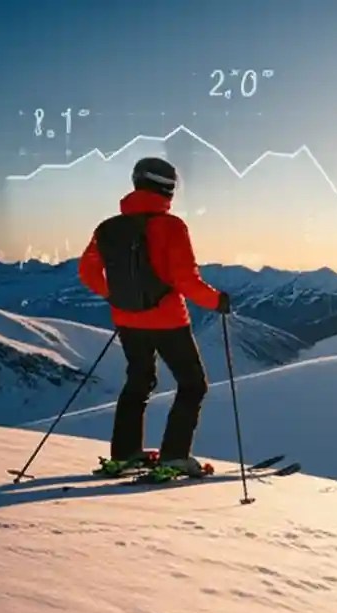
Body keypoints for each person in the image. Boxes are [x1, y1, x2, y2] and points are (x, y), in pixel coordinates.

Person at [78, 157, 231, 476]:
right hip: (168, 320)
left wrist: (116, 296)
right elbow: (185, 279)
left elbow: (88, 272)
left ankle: (124, 454)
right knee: (192, 384)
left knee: (139, 380)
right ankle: (174, 456)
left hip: (127, 320)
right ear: (168, 188)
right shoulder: (171, 226)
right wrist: (216, 300)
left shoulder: (107, 228)